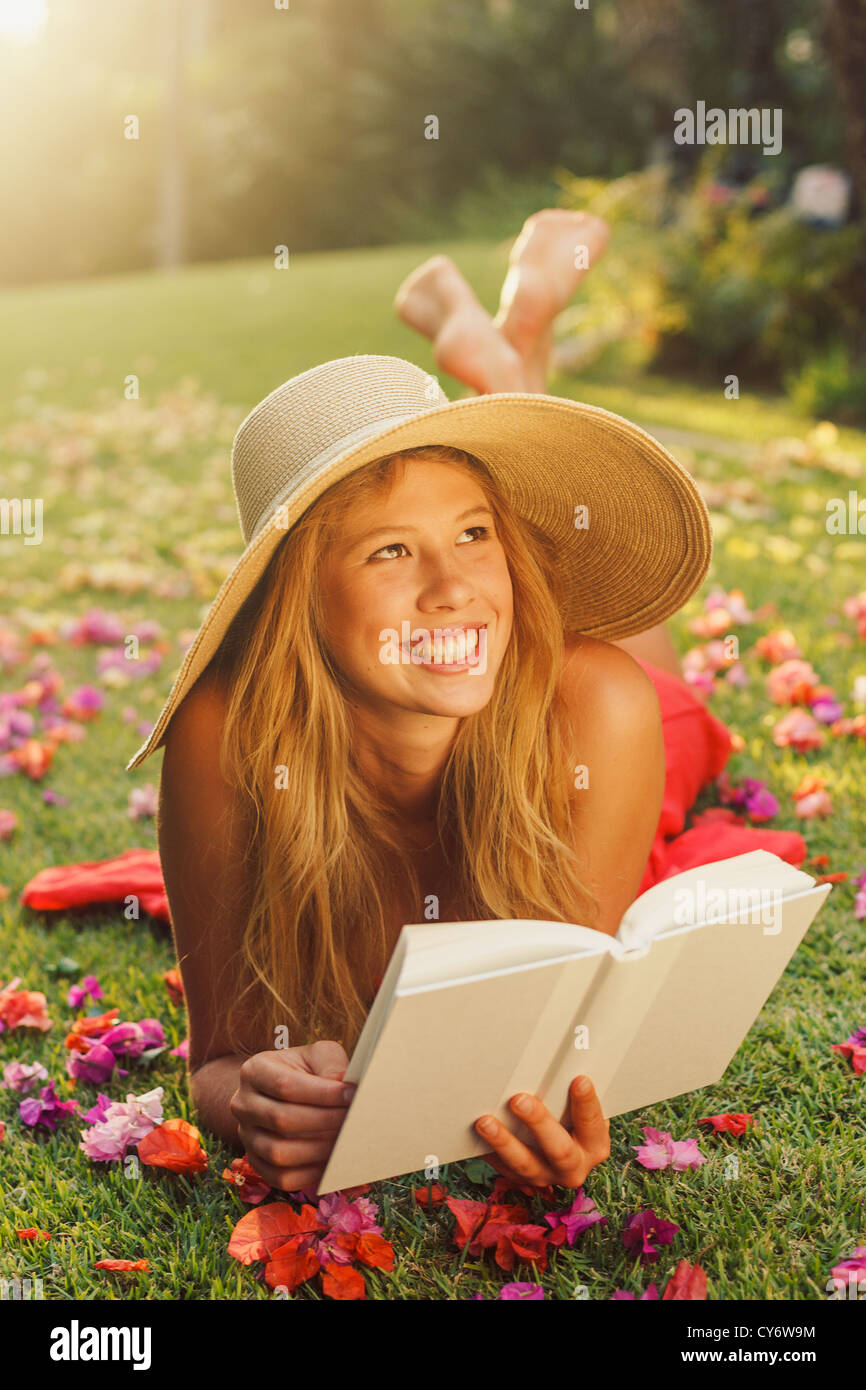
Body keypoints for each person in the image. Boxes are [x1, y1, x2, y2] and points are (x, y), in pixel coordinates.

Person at [133, 212, 724, 1198]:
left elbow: (552, 1035)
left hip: (578, 735)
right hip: (497, 690)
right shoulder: (226, 732)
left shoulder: (602, 707)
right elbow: (216, 1063)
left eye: (474, 531)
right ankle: (501, 352)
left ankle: (510, 365)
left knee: (650, 683)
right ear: (297, 600)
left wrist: (560, 1112)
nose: (452, 585)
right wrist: (256, 1100)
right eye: (389, 551)